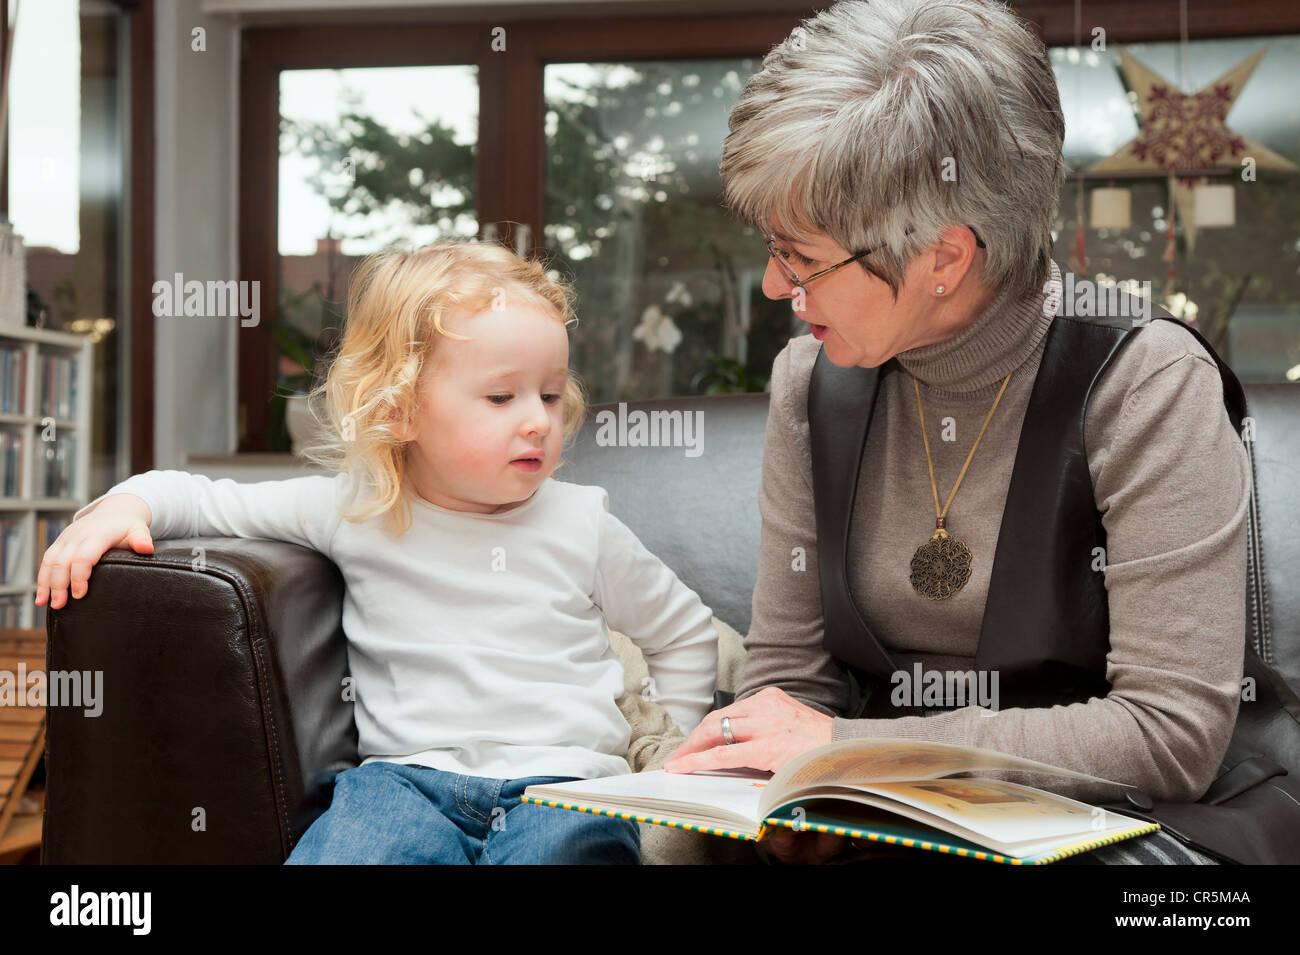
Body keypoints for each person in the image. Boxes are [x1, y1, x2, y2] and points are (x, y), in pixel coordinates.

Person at [664, 0, 1246, 865]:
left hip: (1099, 824)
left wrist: (857, 752)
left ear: (945, 256)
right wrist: (773, 776)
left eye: (803, 257)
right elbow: (790, 676)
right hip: (876, 806)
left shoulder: (1147, 383)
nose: (773, 284)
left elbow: (1169, 735)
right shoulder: (808, 384)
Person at [37, 241, 720, 864]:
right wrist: (125, 505)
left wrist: (667, 769)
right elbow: (202, 495)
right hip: (403, 782)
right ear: (398, 410)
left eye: (548, 392)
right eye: (501, 395)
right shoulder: (355, 507)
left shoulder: (581, 522)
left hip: (566, 787)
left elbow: (685, 633)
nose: (538, 418)